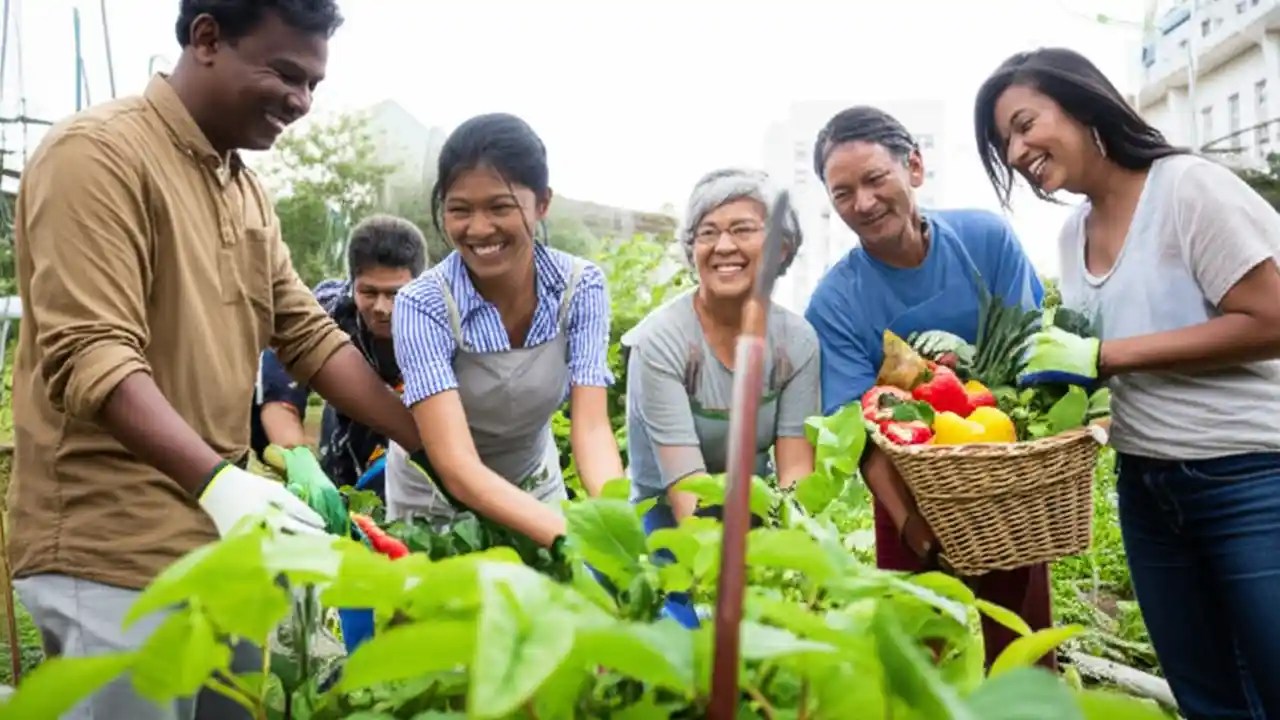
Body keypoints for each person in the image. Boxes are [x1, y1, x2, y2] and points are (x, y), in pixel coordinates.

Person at [7, 3, 421, 719]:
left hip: (222, 549)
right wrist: (219, 482)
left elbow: (309, 336)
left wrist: (435, 445)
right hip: (115, 550)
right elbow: (91, 353)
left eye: (314, 84)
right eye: (286, 73)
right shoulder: (98, 156)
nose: (301, 100)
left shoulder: (244, 188)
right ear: (206, 38)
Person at [975, 46, 1280, 719]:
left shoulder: (1187, 187)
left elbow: (1271, 320)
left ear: (1085, 106)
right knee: (1210, 701)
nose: (1018, 149)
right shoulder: (1070, 235)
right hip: (1147, 488)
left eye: (1025, 124)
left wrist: (1106, 355)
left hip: (1251, 479)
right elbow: (1121, 363)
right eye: (1005, 142)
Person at [803, 106, 1051, 670]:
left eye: (874, 179)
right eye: (842, 193)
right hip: (905, 493)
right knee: (916, 666)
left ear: (913, 167)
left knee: (1025, 656)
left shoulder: (984, 240)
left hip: (1006, 488)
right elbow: (858, 433)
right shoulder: (836, 301)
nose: (862, 203)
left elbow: (1031, 360)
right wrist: (911, 523)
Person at [384, 112, 624, 547]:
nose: (478, 229)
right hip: (437, 504)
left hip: (535, 484)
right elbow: (457, 466)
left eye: (500, 207)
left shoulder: (578, 288)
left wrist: (616, 523)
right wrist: (569, 537)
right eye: (460, 210)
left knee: (546, 608)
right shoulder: (423, 305)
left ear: (542, 203)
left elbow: (591, 428)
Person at [623, 168, 818, 627]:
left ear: (781, 248)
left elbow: (794, 469)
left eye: (743, 230)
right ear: (692, 251)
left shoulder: (797, 342)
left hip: (754, 509)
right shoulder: (661, 341)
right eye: (707, 233)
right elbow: (686, 487)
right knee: (687, 637)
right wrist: (722, 582)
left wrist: (789, 551)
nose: (723, 246)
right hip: (667, 516)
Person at [251, 213, 428, 501]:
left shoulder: (445, 321)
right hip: (345, 432)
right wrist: (299, 465)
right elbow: (281, 397)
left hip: (415, 442)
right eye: (368, 292)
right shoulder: (325, 309)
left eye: (395, 294)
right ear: (352, 282)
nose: (382, 307)